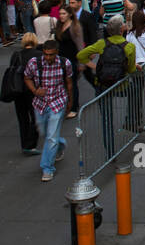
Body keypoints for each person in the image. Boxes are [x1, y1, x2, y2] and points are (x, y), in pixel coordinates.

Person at [22, 39, 73, 182]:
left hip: (58, 102)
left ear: (57, 53)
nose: (48, 57)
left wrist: (70, 101)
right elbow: (26, 77)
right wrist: (34, 90)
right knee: (45, 133)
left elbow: (69, 83)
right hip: (40, 103)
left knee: (51, 136)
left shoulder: (65, 63)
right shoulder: (34, 62)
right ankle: (60, 144)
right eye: (45, 54)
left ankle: (47, 168)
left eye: (51, 55)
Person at [77, 16, 137, 93]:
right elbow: (131, 70)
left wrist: (95, 66)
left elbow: (80, 55)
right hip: (121, 84)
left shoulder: (102, 43)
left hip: (103, 84)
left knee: (104, 102)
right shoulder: (130, 46)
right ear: (121, 29)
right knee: (135, 92)